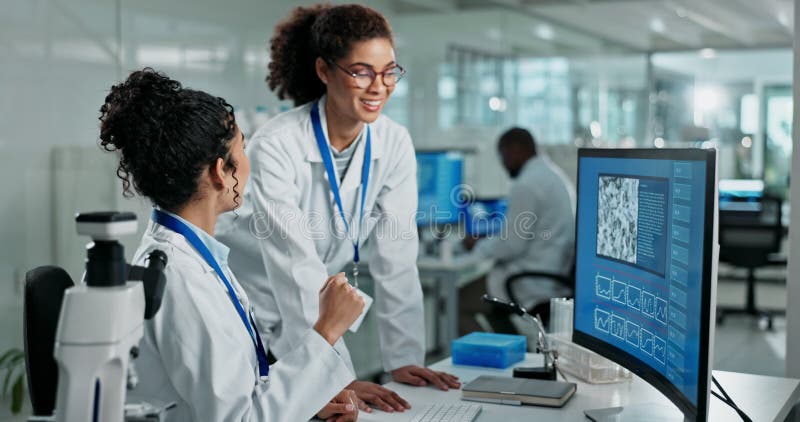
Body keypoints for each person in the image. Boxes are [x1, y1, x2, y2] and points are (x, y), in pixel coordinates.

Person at [215, 3, 460, 413]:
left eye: (389, 72)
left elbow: (397, 257)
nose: (378, 86)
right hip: (249, 307)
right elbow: (296, 269)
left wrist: (405, 360)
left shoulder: (394, 143)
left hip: (310, 308)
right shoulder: (276, 146)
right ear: (325, 72)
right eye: (361, 71)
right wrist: (338, 376)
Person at [99, 68, 364, 422]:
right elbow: (237, 418)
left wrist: (306, 402)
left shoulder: (194, 258)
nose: (249, 163)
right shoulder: (181, 279)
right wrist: (327, 329)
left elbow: (242, 389)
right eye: (244, 149)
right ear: (219, 171)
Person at [462, 127, 576, 333]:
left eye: (502, 155)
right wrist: (492, 237)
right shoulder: (554, 176)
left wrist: (477, 245)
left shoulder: (527, 184)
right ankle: (511, 350)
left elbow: (511, 245)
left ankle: (494, 357)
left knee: (460, 300)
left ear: (515, 149)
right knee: (490, 307)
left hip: (530, 281)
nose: (503, 164)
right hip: (551, 274)